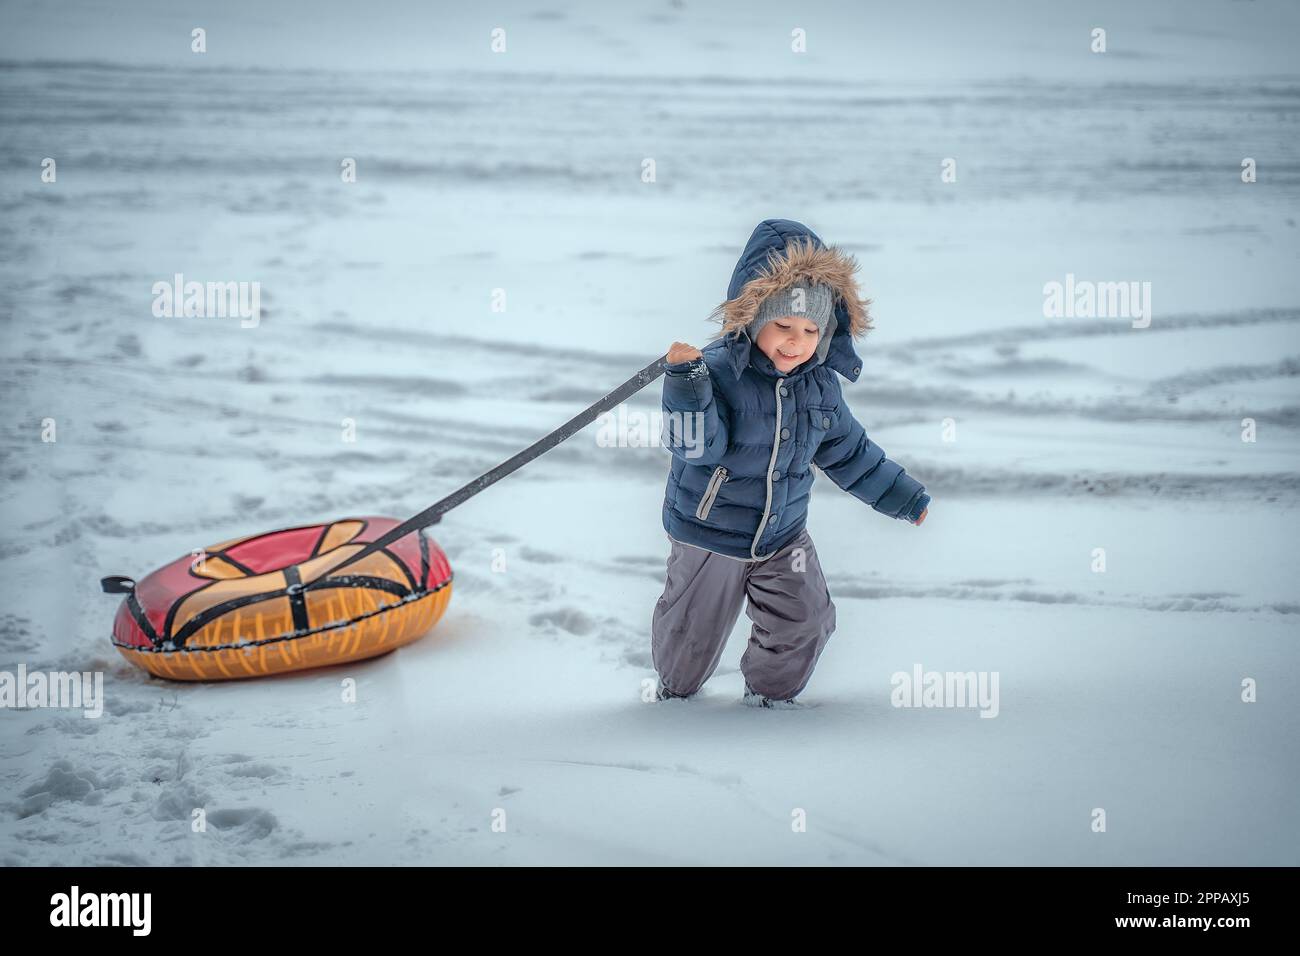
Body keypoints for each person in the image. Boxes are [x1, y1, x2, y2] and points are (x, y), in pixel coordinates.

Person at [652, 218, 930, 708]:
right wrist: (686, 381)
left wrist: (903, 497)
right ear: (754, 316)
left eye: (809, 330)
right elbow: (695, 446)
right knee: (689, 639)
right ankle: (675, 698)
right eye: (782, 325)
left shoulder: (819, 385)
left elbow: (851, 452)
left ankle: (770, 700)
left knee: (808, 619)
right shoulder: (716, 371)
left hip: (783, 536)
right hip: (709, 531)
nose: (795, 342)